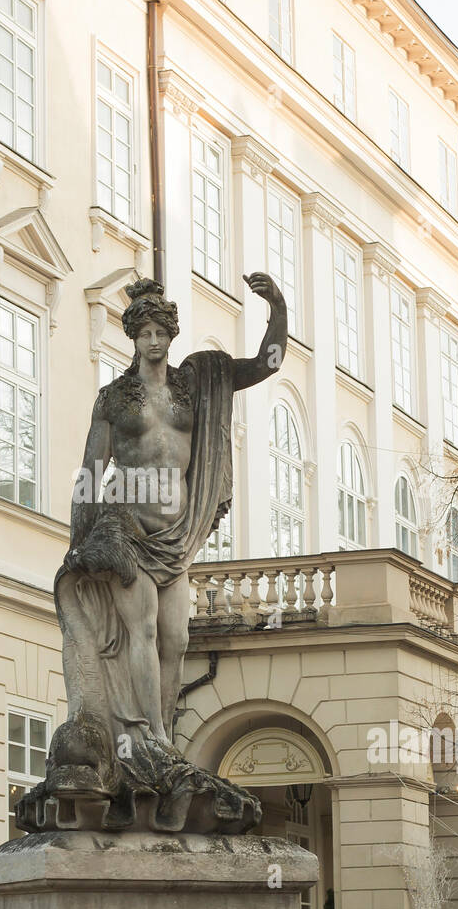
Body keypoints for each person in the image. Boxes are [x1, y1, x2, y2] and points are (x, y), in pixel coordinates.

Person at [17, 271, 288, 834]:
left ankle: (159, 740)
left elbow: (267, 365)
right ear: (133, 339)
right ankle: (152, 741)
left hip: (177, 538)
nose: (154, 341)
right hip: (127, 530)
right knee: (139, 632)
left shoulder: (197, 385)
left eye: (162, 332)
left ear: (171, 335)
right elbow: (91, 469)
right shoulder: (115, 399)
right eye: (145, 334)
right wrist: (79, 542)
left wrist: (278, 308)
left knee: (176, 639)